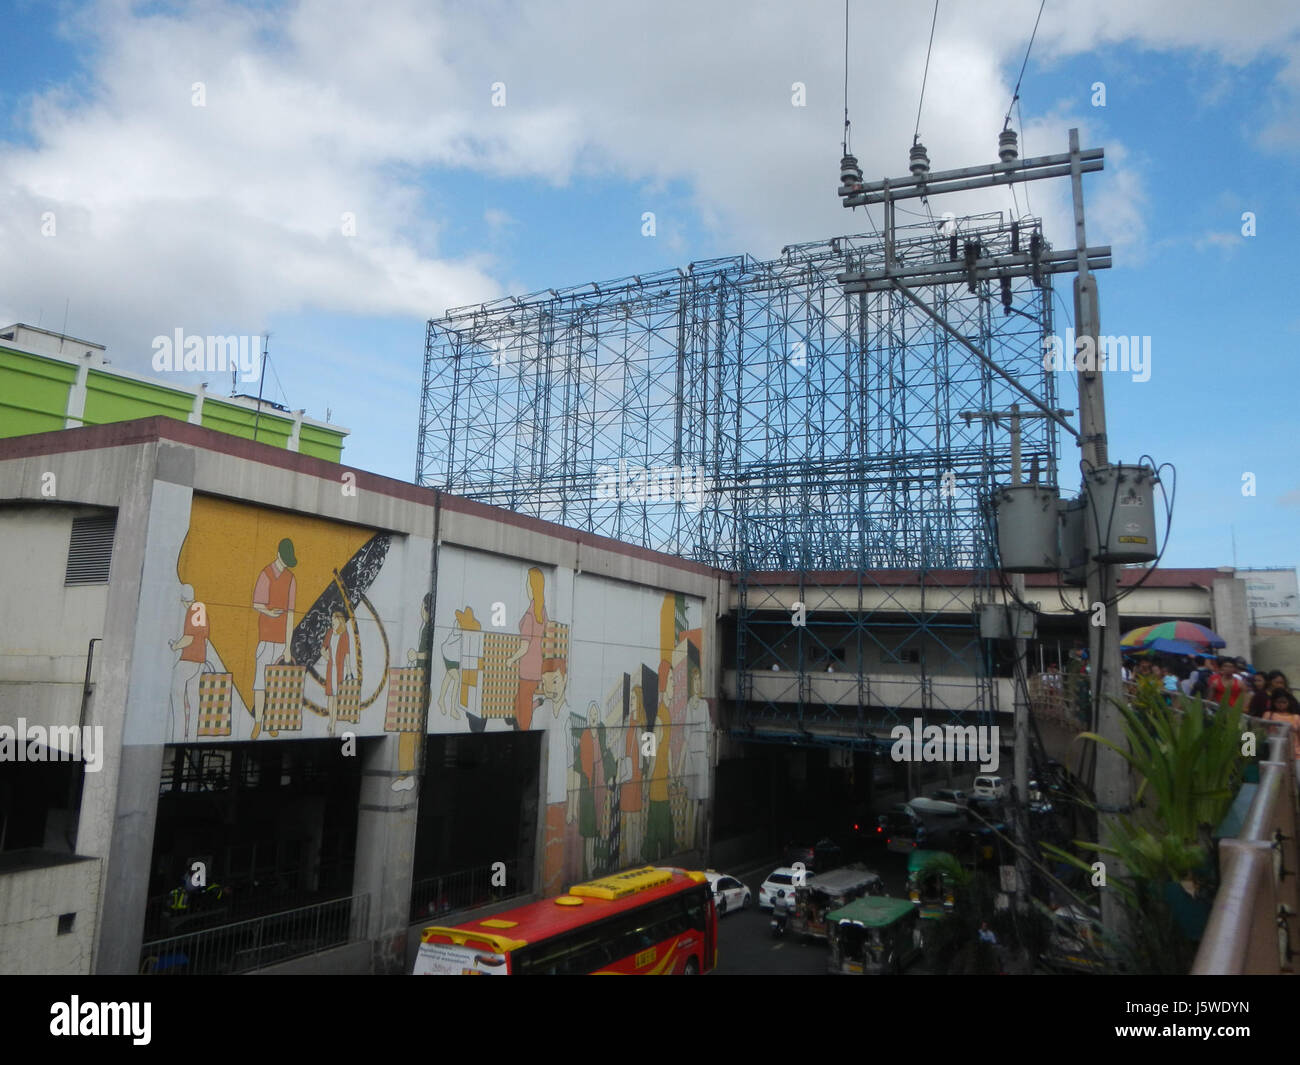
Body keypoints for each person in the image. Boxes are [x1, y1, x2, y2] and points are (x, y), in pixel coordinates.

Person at [251, 538, 297, 740]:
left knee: (275, 685)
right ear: (279, 554)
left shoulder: (291, 579)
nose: (285, 563)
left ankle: (271, 722)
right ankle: (257, 723)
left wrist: (288, 646)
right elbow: (256, 604)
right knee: (260, 683)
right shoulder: (266, 574)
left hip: (281, 641)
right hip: (265, 637)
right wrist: (269, 613)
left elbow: (292, 614)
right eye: (284, 559)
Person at [1262, 689, 1300, 763]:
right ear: (1273, 702)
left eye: (1284, 702)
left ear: (1289, 702)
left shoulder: (1296, 717)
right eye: (1278, 702)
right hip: (1273, 750)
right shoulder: (1268, 715)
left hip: (1294, 752)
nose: (1281, 704)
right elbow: (1262, 731)